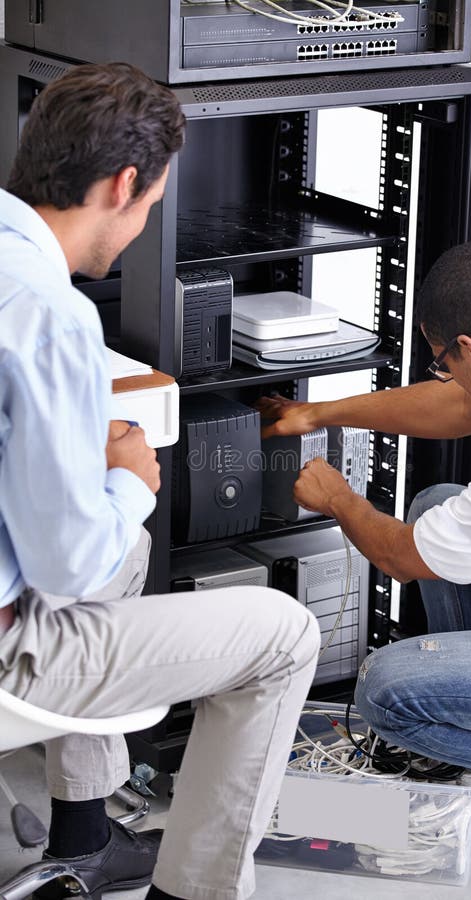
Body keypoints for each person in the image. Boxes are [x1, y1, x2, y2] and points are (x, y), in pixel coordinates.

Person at [0, 62, 320, 900]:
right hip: (7, 646)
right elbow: (63, 564)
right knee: (284, 638)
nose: (142, 226)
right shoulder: (49, 312)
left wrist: (77, 459)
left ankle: (85, 831)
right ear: (125, 183)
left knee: (127, 553)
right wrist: (131, 477)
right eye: (148, 207)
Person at [257, 240, 471, 867]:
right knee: (437, 500)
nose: (443, 373)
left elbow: (399, 557)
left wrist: (336, 496)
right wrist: (319, 413)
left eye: (441, 360)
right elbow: (463, 405)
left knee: (385, 690)